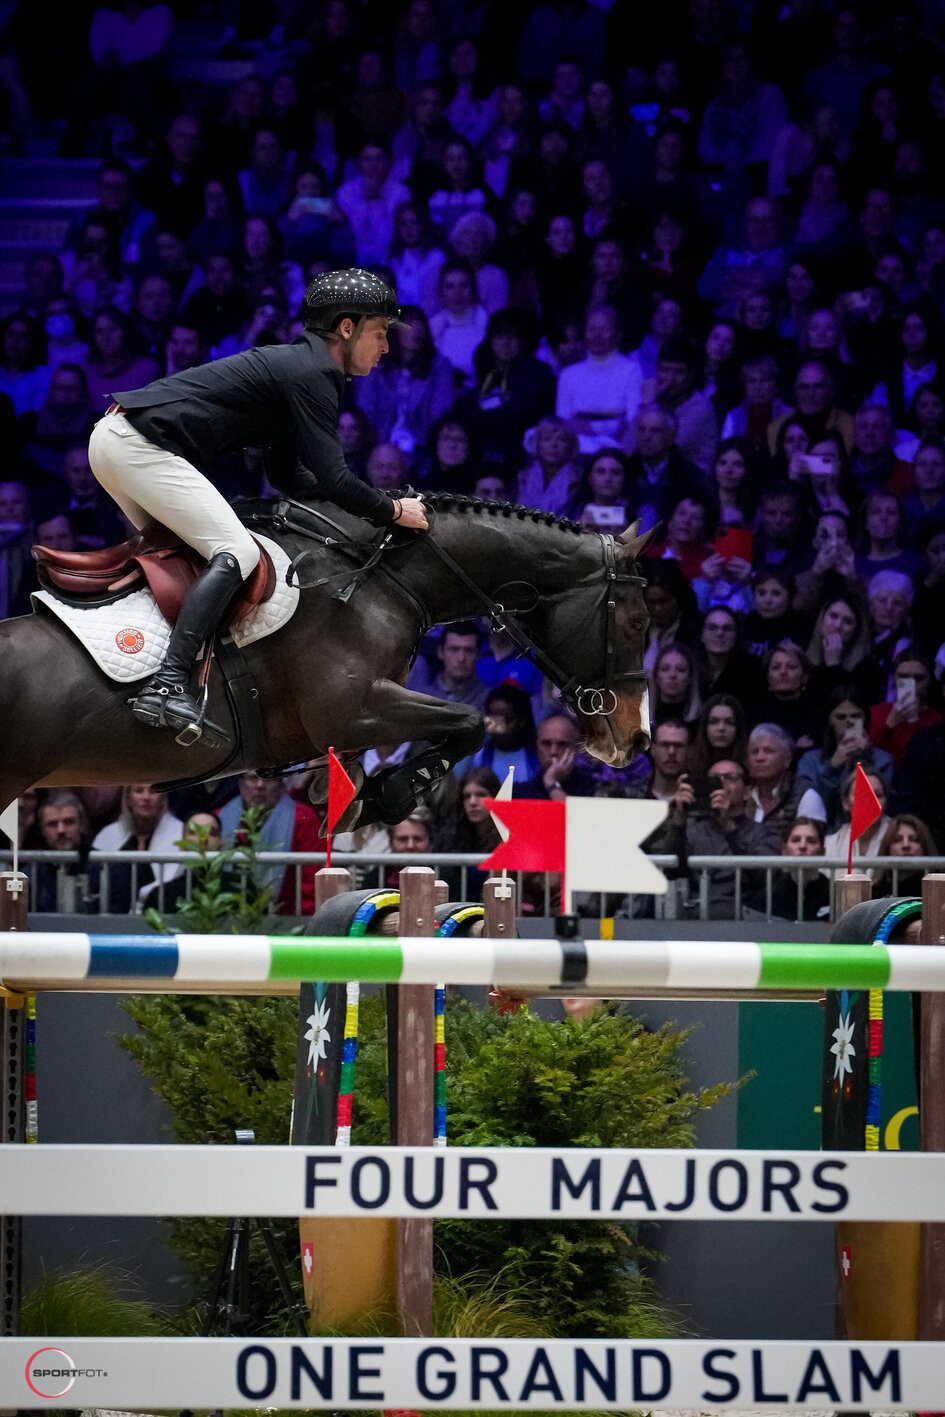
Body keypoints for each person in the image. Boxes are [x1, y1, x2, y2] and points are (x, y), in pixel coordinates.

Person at [86, 269, 429, 746]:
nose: (386, 347)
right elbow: (333, 478)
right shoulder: (316, 374)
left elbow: (288, 476)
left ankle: (140, 669)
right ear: (346, 329)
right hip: (138, 446)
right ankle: (167, 682)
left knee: (187, 561)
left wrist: (369, 502)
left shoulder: (299, 368)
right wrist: (391, 511)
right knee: (237, 551)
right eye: (380, 332)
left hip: (118, 441)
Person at [667, 757, 784, 919]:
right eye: (714, 779)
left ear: (747, 792)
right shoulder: (693, 830)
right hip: (697, 919)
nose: (722, 783)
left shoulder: (765, 832)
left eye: (730, 778)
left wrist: (728, 826)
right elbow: (669, 870)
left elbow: (763, 878)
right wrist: (678, 820)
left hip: (747, 919)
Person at [217, 770, 321, 915]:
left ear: (281, 784)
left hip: (285, 918)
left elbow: (311, 881)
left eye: (268, 778)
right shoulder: (219, 819)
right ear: (241, 785)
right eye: (253, 778)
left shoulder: (304, 818)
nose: (260, 785)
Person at [796, 686, 895, 828]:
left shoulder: (882, 760)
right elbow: (809, 810)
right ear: (830, 719)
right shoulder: (810, 760)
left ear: (865, 718)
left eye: (856, 716)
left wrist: (865, 760)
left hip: (869, 834)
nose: (849, 722)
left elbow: (878, 808)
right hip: (824, 836)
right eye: (841, 717)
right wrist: (832, 769)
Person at [91, 784, 185, 913]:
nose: (146, 797)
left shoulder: (180, 833)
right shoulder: (108, 834)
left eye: (153, 791)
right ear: (128, 799)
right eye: (139, 791)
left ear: (163, 799)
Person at [30, 790, 100, 914]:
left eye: (68, 822)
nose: (61, 830)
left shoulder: (105, 867)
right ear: (42, 829)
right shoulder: (30, 873)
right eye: (52, 824)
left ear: (82, 825)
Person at [513, 713, 595, 799]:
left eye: (562, 744)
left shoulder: (594, 790)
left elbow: (576, 813)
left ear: (576, 748)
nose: (553, 752)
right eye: (546, 744)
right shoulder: (519, 793)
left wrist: (552, 784)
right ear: (537, 746)